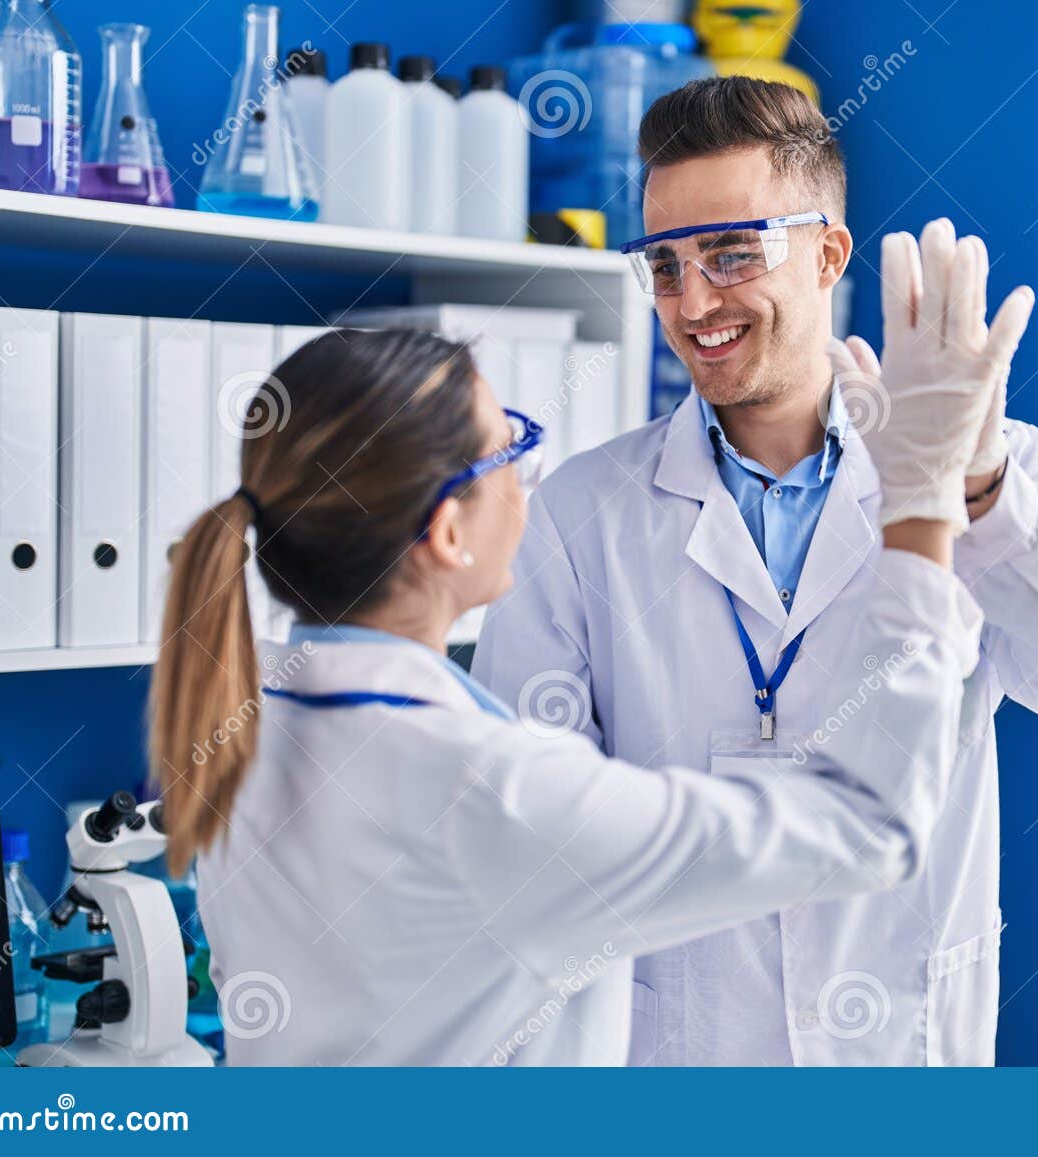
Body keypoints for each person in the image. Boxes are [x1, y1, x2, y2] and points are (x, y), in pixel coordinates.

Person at [472, 77, 1038, 1066]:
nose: (693, 302)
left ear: (827, 254)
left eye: (730, 253)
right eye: (664, 265)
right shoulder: (577, 513)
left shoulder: (987, 464)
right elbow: (528, 830)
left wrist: (968, 483)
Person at [149, 316, 988, 1065]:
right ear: (447, 533)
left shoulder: (237, 734)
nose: (528, 481)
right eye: (510, 449)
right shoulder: (493, 795)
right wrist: (922, 510)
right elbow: (872, 826)